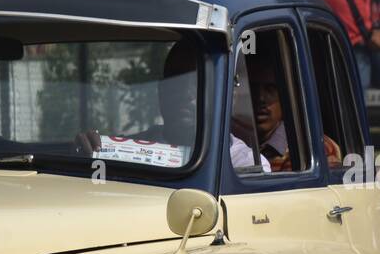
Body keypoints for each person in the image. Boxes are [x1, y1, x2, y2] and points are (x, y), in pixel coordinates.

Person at [75, 37, 271, 172]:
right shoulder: (131, 150)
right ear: (161, 92)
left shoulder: (243, 164)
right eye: (176, 81)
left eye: (196, 82)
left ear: (222, 94)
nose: (185, 94)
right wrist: (91, 152)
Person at [246, 55, 342, 170]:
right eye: (252, 88)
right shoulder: (231, 142)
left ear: (285, 97)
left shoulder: (313, 149)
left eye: (271, 89)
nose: (260, 98)